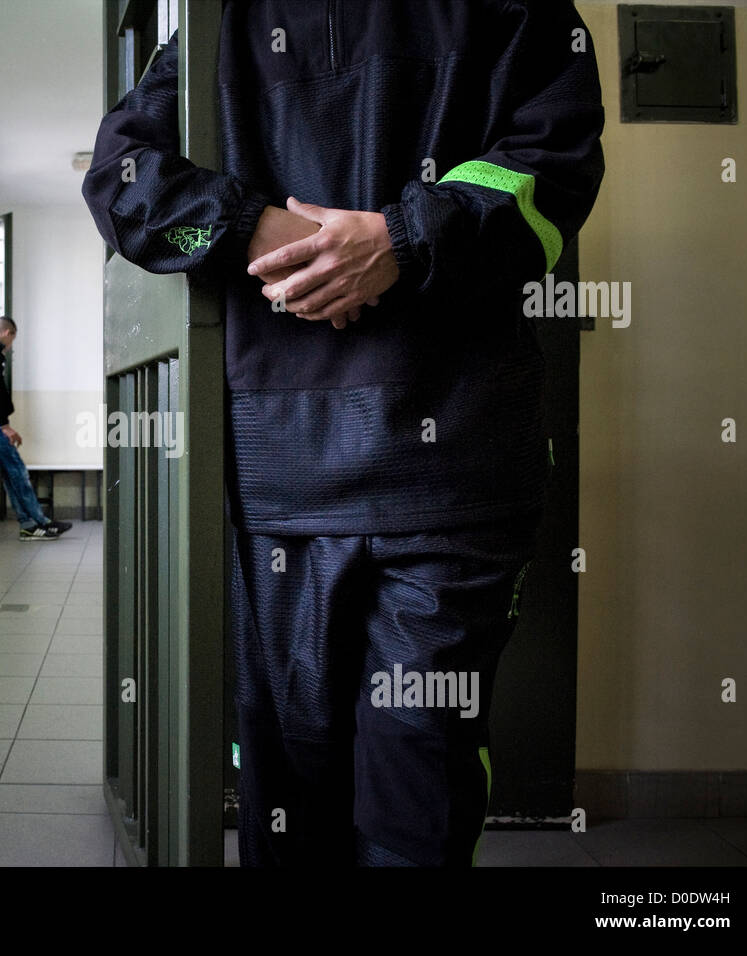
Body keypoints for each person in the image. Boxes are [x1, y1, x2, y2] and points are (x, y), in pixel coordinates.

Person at [82, 1, 604, 865]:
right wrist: (256, 224)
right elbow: (120, 172)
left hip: (448, 482)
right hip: (287, 478)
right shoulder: (221, 19)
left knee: (416, 793)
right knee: (291, 798)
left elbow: (553, 169)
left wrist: (402, 239)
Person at [0, 315, 72, 541]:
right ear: (7, 333)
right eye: (12, 340)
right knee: (17, 471)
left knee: (11, 472)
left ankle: (35, 522)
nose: (11, 345)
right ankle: (34, 524)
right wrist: (4, 425)